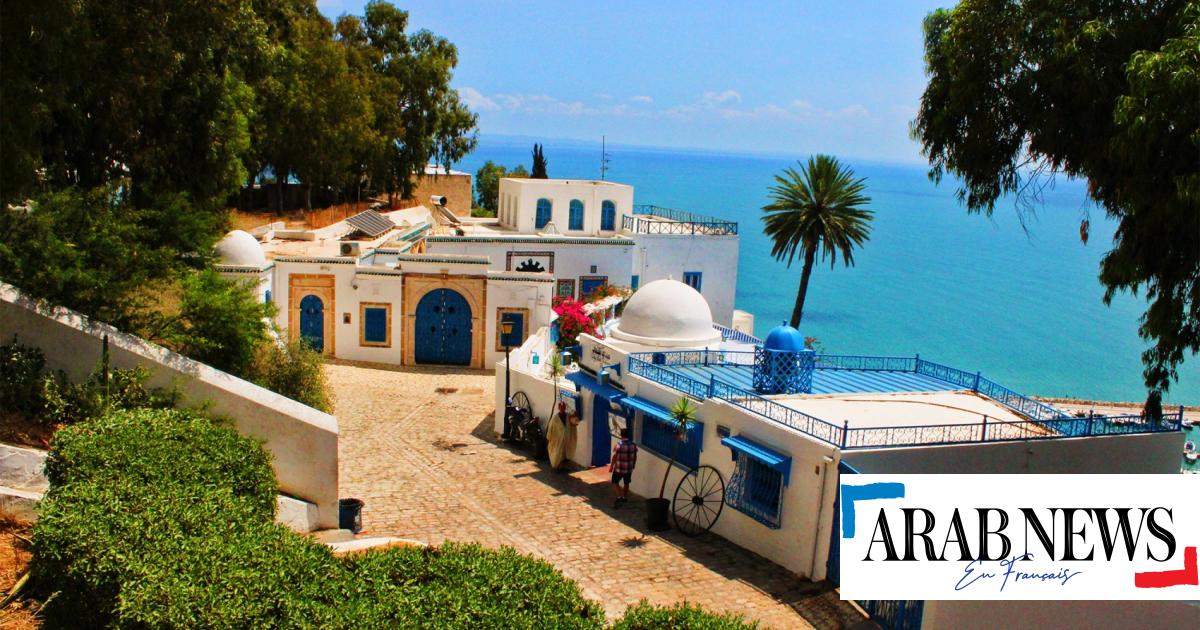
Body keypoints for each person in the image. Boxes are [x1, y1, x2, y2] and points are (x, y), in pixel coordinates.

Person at [609, 427, 637, 507]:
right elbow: (635, 456)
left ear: (621, 435)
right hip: (628, 468)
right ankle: (624, 497)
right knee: (626, 482)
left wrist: (611, 466)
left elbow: (615, 456)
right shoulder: (633, 445)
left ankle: (619, 496)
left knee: (614, 482)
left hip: (619, 468)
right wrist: (633, 464)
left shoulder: (618, 445)